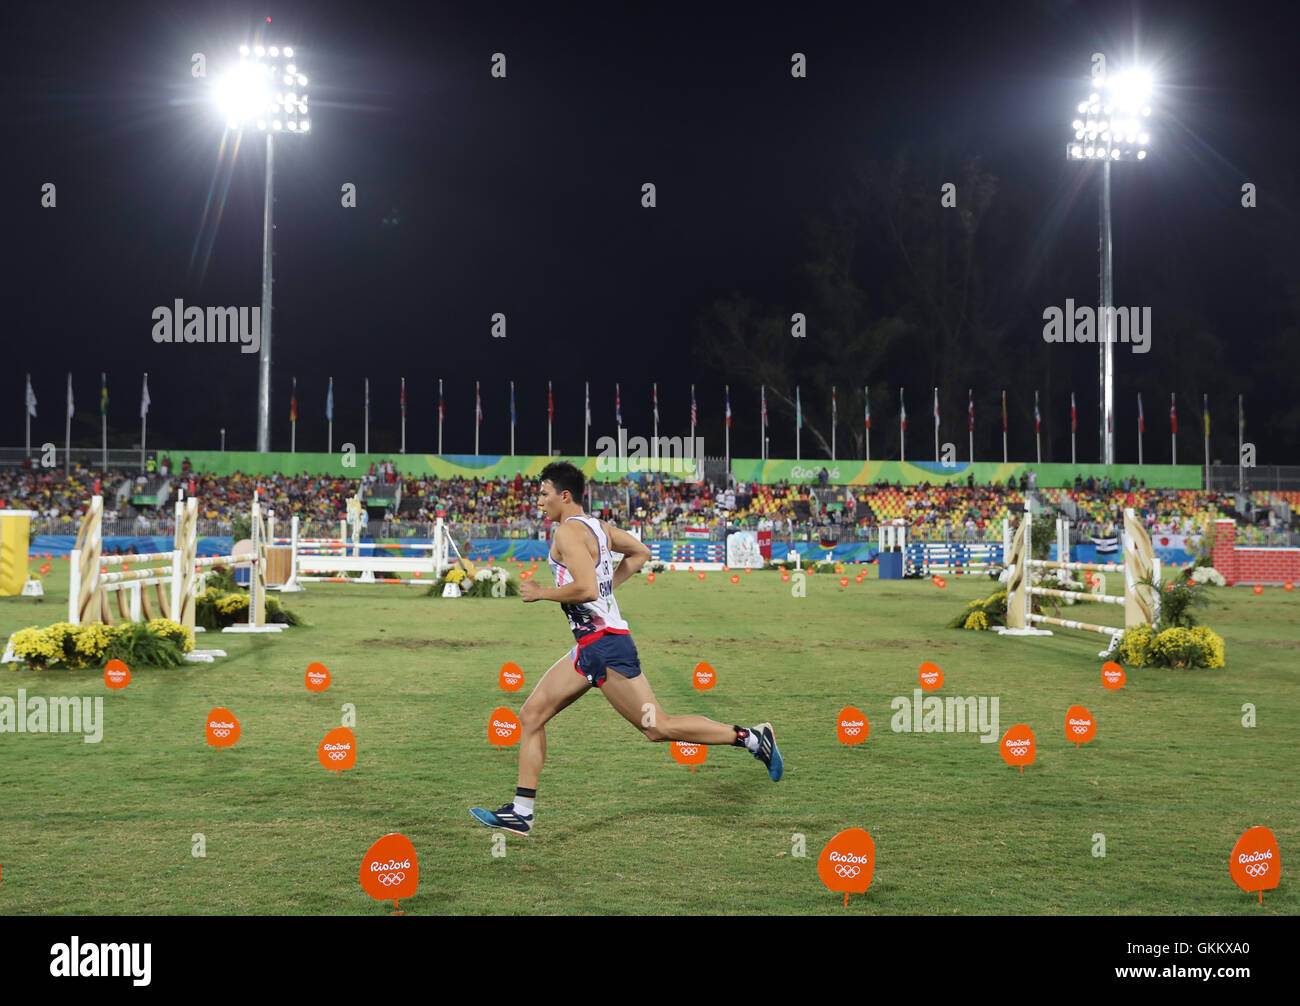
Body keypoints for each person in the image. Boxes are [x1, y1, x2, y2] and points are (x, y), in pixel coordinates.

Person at [471, 461, 783, 836]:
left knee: (658, 727)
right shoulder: (598, 528)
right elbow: (639, 552)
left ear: (564, 495)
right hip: (591, 647)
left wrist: (542, 593)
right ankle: (521, 812)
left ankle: (751, 738)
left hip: (606, 648)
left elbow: (586, 589)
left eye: (543, 493)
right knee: (532, 715)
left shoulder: (567, 534)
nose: (539, 501)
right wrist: (608, 590)